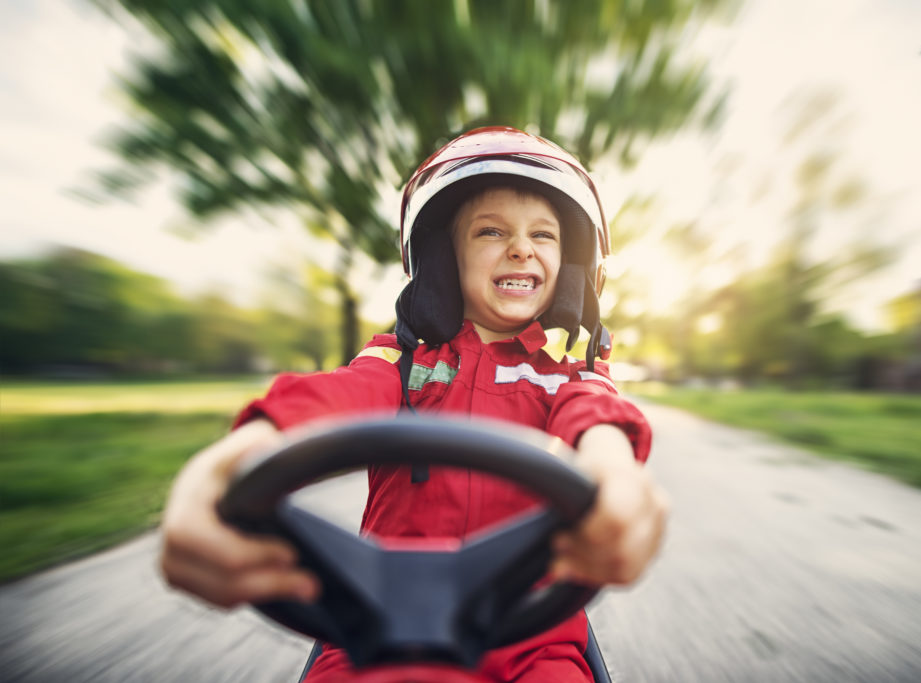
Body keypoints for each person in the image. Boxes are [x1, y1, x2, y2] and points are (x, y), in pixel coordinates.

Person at [160, 126, 669, 682]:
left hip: (530, 636)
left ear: (572, 266)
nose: (521, 247)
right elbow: (331, 398)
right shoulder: (401, 364)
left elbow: (596, 420)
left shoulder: (569, 375)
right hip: (373, 622)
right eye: (491, 231)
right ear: (442, 261)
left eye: (543, 235)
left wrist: (612, 475)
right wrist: (230, 462)